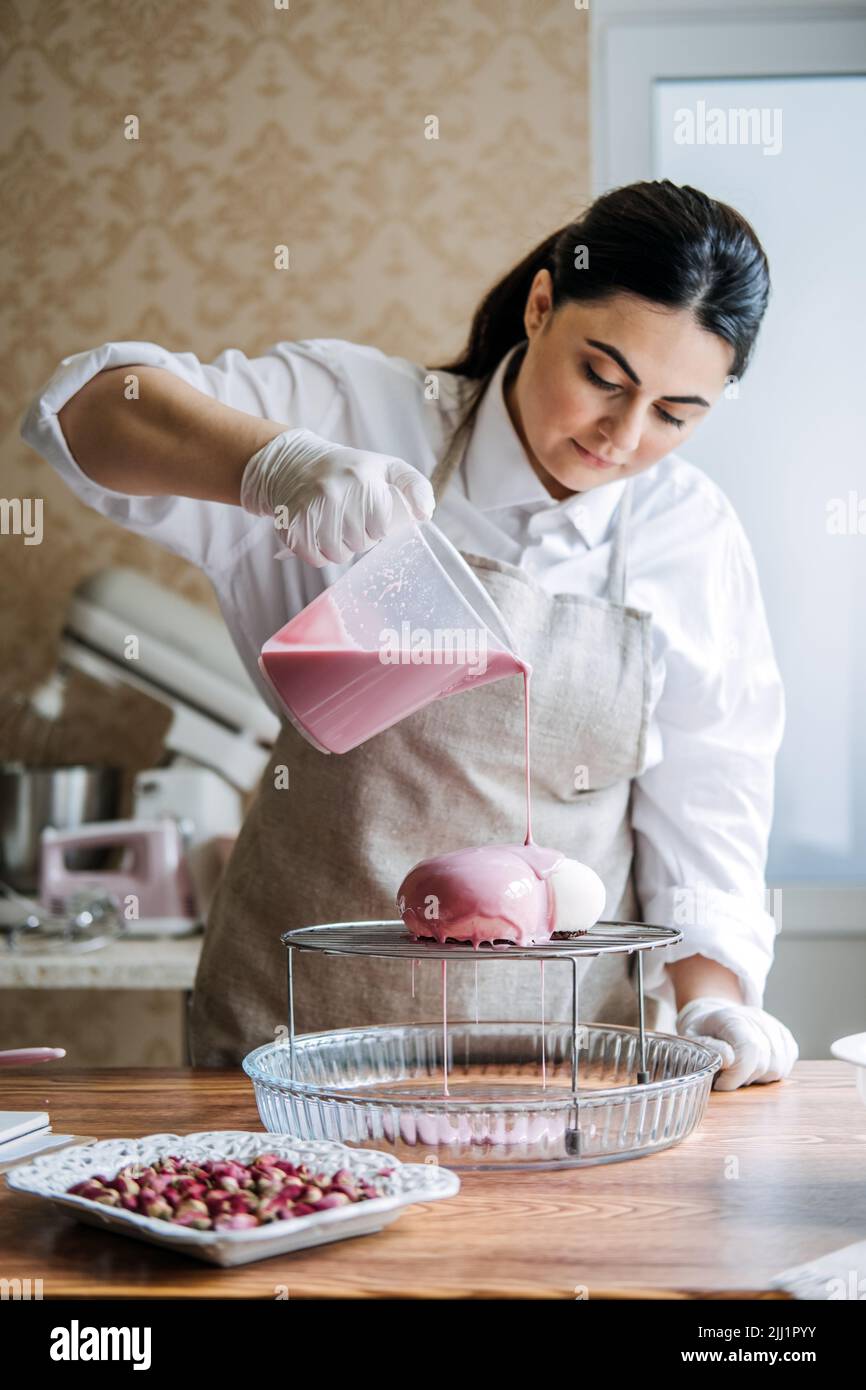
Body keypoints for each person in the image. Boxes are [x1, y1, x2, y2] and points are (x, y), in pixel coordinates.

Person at [21, 180, 798, 1089]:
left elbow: (710, 802)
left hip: (559, 1060)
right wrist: (273, 464)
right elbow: (78, 411)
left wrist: (716, 1002)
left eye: (674, 414)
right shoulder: (362, 411)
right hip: (295, 1046)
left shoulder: (689, 535)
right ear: (542, 305)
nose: (621, 438)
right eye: (603, 377)